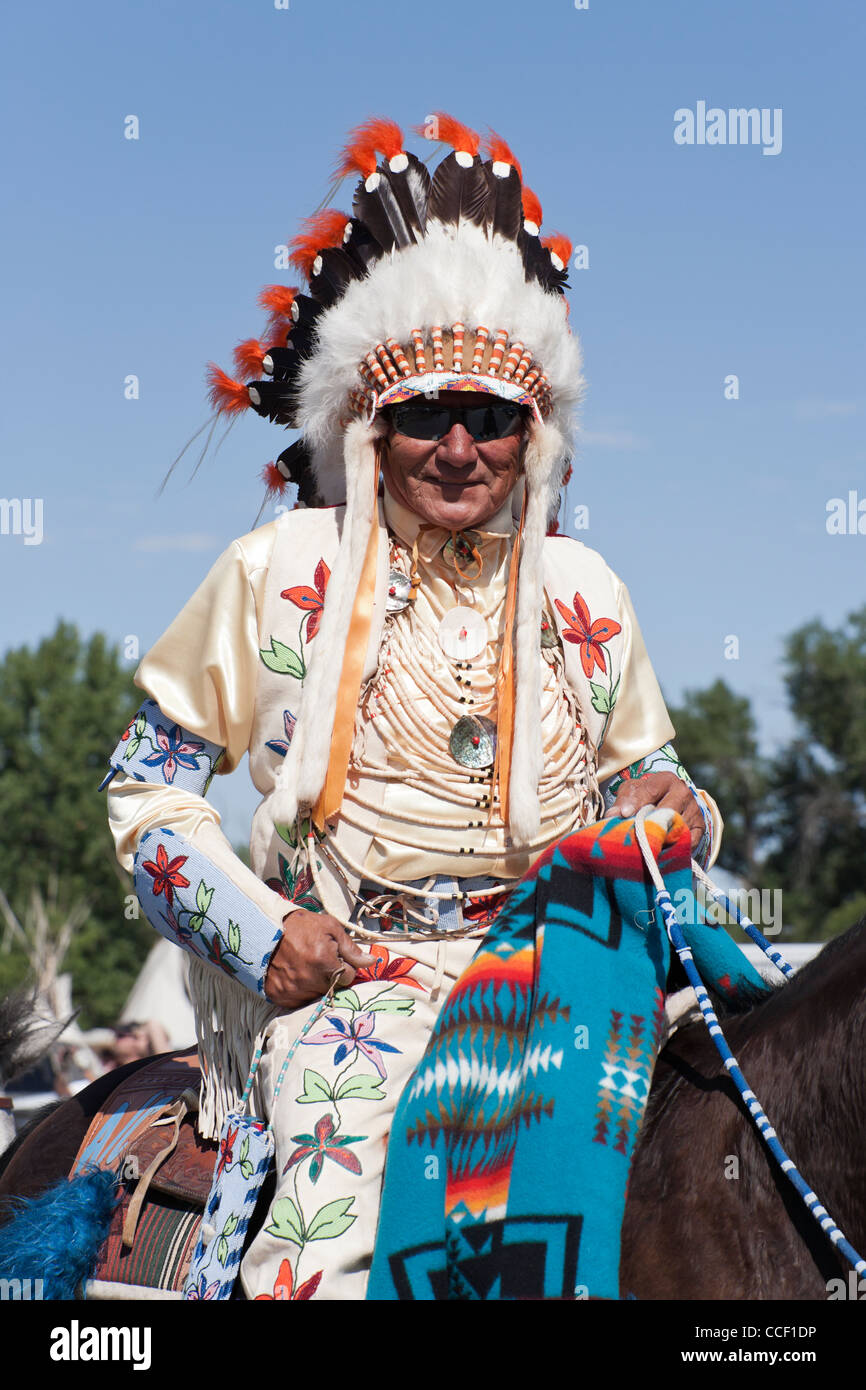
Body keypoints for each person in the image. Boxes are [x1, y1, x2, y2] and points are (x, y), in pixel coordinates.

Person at [101, 114, 727, 1300]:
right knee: (328, 1256)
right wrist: (262, 933)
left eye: (491, 416)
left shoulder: (584, 590)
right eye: (426, 411)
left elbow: (667, 791)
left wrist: (672, 805)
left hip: (564, 975)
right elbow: (146, 786)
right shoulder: (278, 570)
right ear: (367, 428)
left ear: (532, 436)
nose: (458, 444)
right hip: (356, 991)